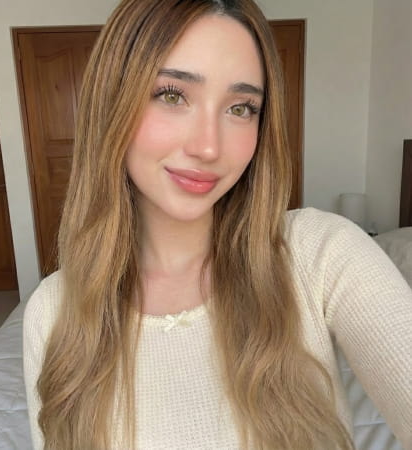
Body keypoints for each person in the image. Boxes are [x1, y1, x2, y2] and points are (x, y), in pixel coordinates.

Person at [23, 0, 412, 449]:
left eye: (241, 108)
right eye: (172, 95)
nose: (209, 147)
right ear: (112, 103)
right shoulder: (52, 310)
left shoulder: (321, 255)